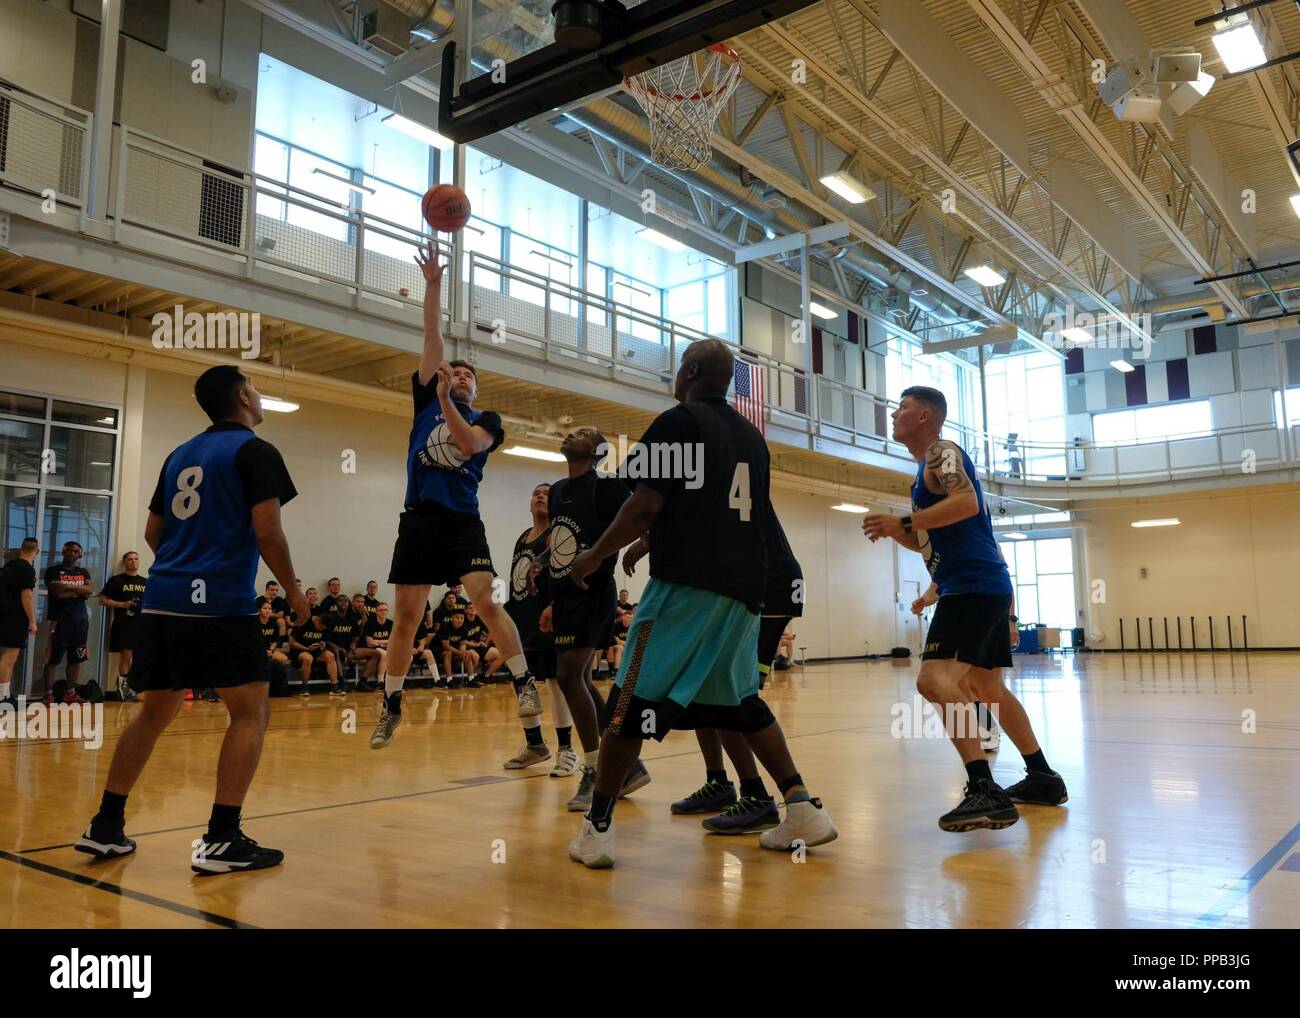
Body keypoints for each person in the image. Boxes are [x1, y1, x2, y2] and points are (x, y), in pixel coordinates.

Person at [566, 340, 836, 868]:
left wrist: (595, 555)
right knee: (739, 703)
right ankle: (802, 807)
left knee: (626, 703)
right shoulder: (753, 439)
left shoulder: (676, 422)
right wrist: (653, 540)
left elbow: (643, 503)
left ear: (688, 372)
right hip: (743, 590)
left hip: (684, 589)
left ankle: (596, 828)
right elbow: (721, 511)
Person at [76, 364, 307, 874]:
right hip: (221, 603)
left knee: (154, 712)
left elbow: (154, 532)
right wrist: (292, 589)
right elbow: (268, 532)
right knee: (250, 712)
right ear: (245, 396)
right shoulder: (255, 451)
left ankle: (106, 826)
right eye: (258, 389)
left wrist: (183, 566)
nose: (261, 396)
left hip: (162, 601)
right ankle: (223, 838)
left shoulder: (180, 454)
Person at [863, 385, 1067, 833]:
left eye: (903, 408)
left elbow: (968, 502)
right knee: (985, 687)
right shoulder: (923, 471)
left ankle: (983, 788)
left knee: (933, 681)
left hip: (971, 587)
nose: (895, 414)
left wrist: (905, 520)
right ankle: (1042, 777)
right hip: (983, 585)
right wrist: (896, 530)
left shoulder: (941, 451)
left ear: (924, 416)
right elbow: (927, 541)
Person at [369, 241, 535, 749]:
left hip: (462, 520)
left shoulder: (488, 422)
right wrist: (435, 283)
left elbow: (466, 444)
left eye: (468, 376)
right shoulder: (426, 399)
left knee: (486, 602)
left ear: (475, 391)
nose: (459, 376)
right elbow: (432, 335)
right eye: (454, 373)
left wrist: (446, 399)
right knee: (408, 619)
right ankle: (391, 705)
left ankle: (523, 683)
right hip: (417, 520)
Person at [667, 506, 805, 835]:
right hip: (746, 581)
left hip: (765, 583)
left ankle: (760, 797)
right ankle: (719, 783)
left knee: (730, 695)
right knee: (703, 685)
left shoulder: (716, 466)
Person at [541, 426, 651, 813]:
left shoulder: (605, 486)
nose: (573, 434)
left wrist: (635, 546)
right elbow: (562, 543)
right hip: (564, 595)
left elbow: (641, 517)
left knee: (569, 675)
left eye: (584, 433)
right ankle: (628, 765)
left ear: (599, 451)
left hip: (593, 590)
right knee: (581, 680)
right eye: (572, 431)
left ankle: (593, 770)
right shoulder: (557, 491)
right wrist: (550, 592)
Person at [497, 483, 578, 776]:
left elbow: (566, 576)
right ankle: (535, 746)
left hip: (550, 620)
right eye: (536, 493)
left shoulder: (557, 536)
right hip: (522, 620)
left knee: (556, 682)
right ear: (529, 504)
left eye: (546, 493)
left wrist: (555, 606)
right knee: (522, 682)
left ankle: (567, 750)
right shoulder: (522, 538)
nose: (541, 496)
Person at [42, 540, 96, 702]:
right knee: (52, 659)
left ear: (80, 554)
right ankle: (48, 694)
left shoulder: (84, 572)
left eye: (75, 551)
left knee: (76, 658)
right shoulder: (53, 570)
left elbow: (89, 591)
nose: (72, 553)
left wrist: (68, 588)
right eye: (69, 550)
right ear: (63, 551)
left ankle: (70, 693)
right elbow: (57, 592)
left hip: (80, 622)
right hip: (60, 621)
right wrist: (79, 591)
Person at [99, 551, 148, 701]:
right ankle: (124, 689)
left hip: (142, 625)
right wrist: (123, 604)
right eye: (130, 559)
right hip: (124, 624)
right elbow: (103, 600)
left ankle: (134, 687)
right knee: (126, 656)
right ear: (124, 562)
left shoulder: (146, 582)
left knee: (139, 658)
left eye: (136, 558)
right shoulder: (116, 581)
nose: (133, 561)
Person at [0, 537, 40, 704]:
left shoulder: (7, 567)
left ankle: (5, 695)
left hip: (3, 615)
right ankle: (2, 697)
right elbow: (27, 596)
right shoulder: (27, 569)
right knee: (9, 657)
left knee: (6, 657)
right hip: (14, 618)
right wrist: (32, 620)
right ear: (37, 552)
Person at [348, 592, 384, 689]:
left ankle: (362, 682)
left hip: (362, 645)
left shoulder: (367, 615)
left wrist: (364, 615)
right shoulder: (348, 614)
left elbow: (367, 632)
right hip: (349, 646)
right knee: (376, 654)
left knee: (377, 654)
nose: (360, 604)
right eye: (358, 601)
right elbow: (359, 633)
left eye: (362, 602)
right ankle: (358, 681)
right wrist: (364, 615)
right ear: (353, 603)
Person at [363, 602, 394, 683]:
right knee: (384, 654)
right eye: (381, 610)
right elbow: (369, 642)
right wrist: (385, 642)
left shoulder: (391, 623)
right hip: (372, 648)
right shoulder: (370, 623)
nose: (384, 612)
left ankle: (396, 681)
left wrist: (378, 641)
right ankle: (380, 681)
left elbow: (393, 641)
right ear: (376, 611)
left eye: (385, 610)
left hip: (385, 647)